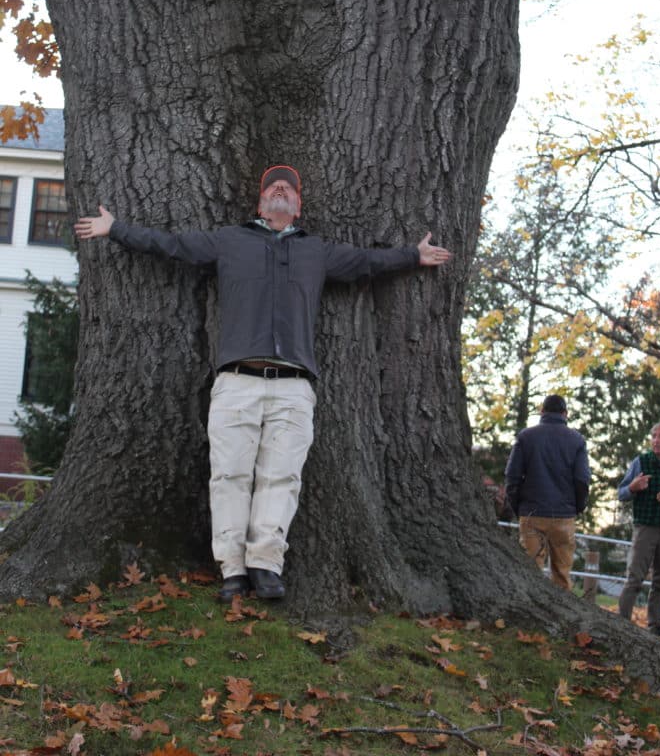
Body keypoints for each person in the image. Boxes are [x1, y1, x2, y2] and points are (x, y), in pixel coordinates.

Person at [74, 165, 451, 602]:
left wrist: (412, 255)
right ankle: (232, 571)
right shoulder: (228, 241)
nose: (280, 188)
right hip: (237, 382)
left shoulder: (317, 251)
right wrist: (115, 228)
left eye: (288, 186)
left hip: (293, 387)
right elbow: (173, 246)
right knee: (229, 476)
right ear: (260, 201)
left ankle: (266, 565)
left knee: (281, 478)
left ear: (297, 204)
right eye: (273, 184)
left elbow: (366, 261)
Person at [504, 394, 590, 590]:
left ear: (542, 412)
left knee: (530, 573)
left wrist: (519, 507)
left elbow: (512, 476)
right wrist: (576, 507)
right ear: (565, 414)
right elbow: (582, 480)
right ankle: (562, 615)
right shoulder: (577, 440)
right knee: (562, 575)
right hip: (564, 515)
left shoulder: (526, 437)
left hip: (532, 512)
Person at [617, 421, 660, 637]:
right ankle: (622, 623)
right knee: (635, 577)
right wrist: (633, 487)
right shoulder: (640, 462)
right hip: (645, 528)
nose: (656, 440)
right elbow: (622, 493)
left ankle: (655, 627)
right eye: (654, 436)